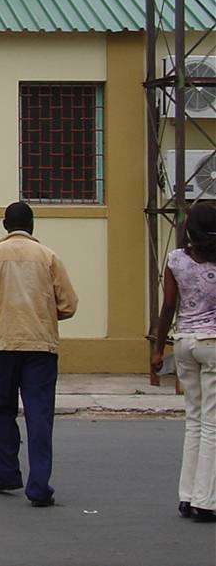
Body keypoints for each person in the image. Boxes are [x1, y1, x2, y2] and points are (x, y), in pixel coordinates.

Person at [0, 201, 77, 509]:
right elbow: (68, 304)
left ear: (5, 225)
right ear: (32, 225)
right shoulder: (48, 257)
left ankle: (7, 473)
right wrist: (43, 314)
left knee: (1, 408)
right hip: (40, 346)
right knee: (39, 414)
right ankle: (39, 486)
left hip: (1, 345)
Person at [152, 201, 216, 523]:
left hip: (183, 343)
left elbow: (168, 307)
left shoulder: (175, 259)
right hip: (213, 344)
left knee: (192, 420)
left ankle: (186, 495)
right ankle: (206, 501)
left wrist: (158, 349)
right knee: (213, 424)